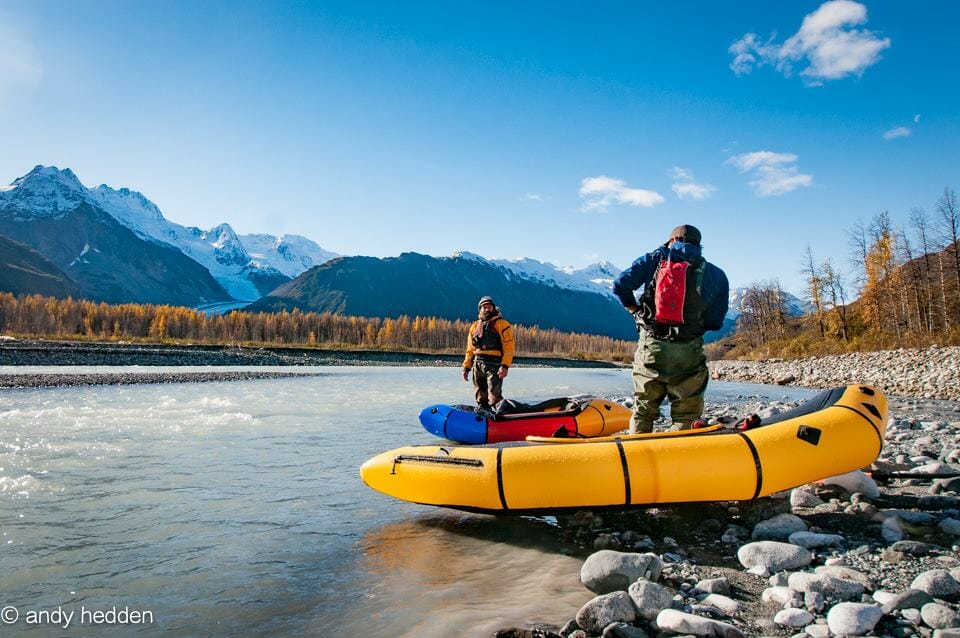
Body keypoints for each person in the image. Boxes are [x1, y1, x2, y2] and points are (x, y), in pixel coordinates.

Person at [613, 224, 729, 433]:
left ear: (671, 240)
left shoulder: (651, 260)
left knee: (643, 410)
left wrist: (635, 310)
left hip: (651, 347)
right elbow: (715, 321)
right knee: (687, 415)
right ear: (699, 245)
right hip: (688, 351)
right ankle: (677, 448)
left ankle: (636, 450)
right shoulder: (716, 274)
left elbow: (620, 285)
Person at [462, 296, 515, 410]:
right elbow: (470, 349)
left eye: (489, 307)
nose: (487, 309)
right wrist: (466, 368)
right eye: (484, 307)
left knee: (494, 397)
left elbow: (509, 348)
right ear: (480, 309)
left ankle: (503, 416)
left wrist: (505, 366)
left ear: (493, 308)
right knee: (480, 397)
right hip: (477, 364)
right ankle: (484, 414)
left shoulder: (503, 324)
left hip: (494, 364)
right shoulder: (474, 326)